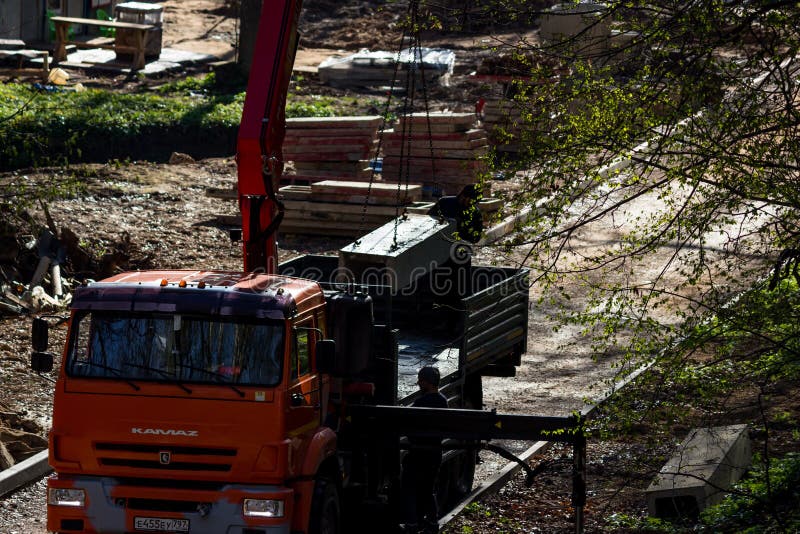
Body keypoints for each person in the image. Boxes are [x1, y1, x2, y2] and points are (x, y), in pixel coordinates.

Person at [401, 366, 448, 534]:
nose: (419, 384)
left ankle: (411, 524)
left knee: (408, 486)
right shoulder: (443, 401)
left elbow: (408, 429)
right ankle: (432, 523)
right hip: (435, 454)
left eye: (421, 381)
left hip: (418, 453)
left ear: (427, 382)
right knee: (428, 489)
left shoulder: (419, 403)